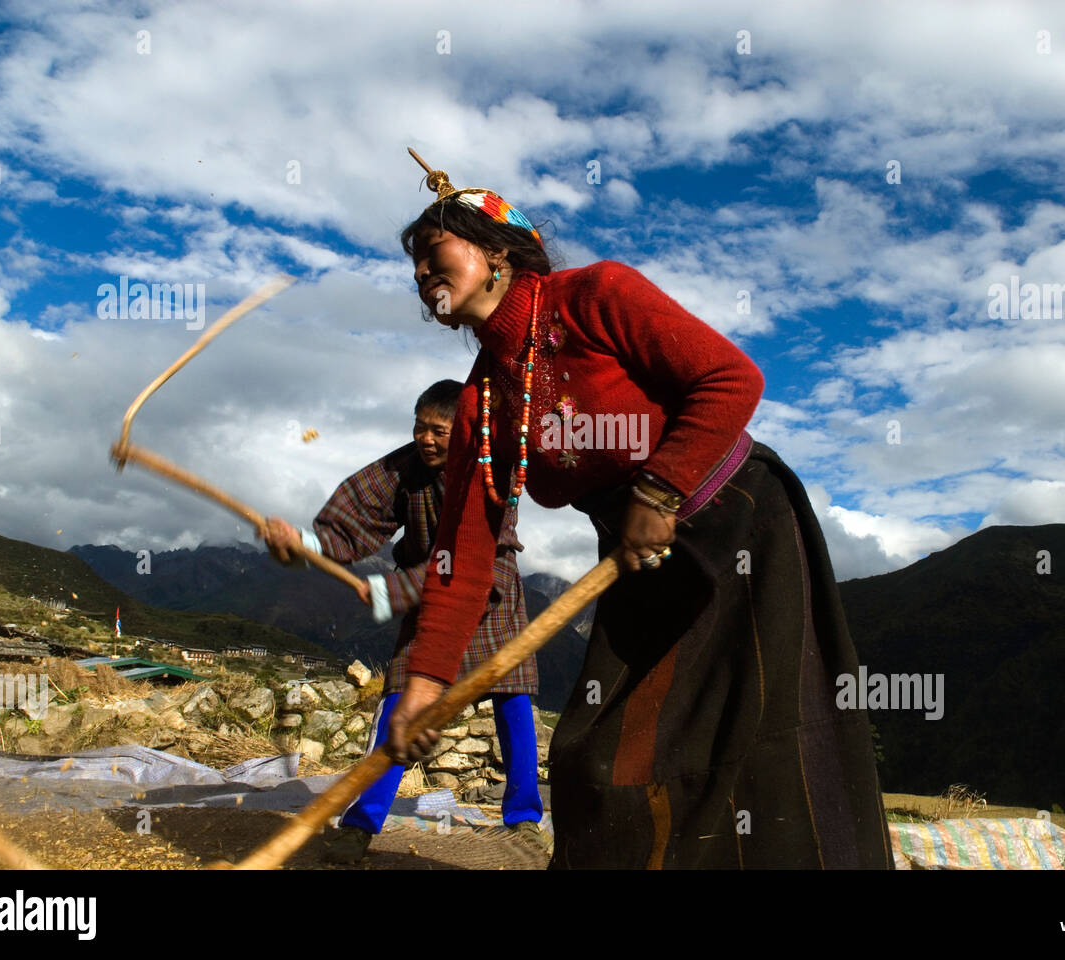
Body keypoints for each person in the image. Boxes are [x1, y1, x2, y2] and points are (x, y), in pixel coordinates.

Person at [385, 157, 894, 869]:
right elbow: (464, 555)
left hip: (738, 527)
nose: (421, 276)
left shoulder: (596, 294)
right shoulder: (481, 404)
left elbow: (731, 379)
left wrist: (659, 492)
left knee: (766, 743)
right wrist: (427, 685)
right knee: (598, 756)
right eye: (413, 267)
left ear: (495, 250)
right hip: (635, 557)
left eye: (433, 255)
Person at [263, 380, 545, 862]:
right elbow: (349, 523)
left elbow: (471, 558)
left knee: (511, 700)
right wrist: (305, 545)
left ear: (465, 431)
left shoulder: (491, 472)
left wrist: (390, 591)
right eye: (420, 428)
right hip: (428, 602)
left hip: (490, 592)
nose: (427, 439)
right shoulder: (404, 468)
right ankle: (361, 823)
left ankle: (525, 819)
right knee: (399, 707)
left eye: (439, 431)